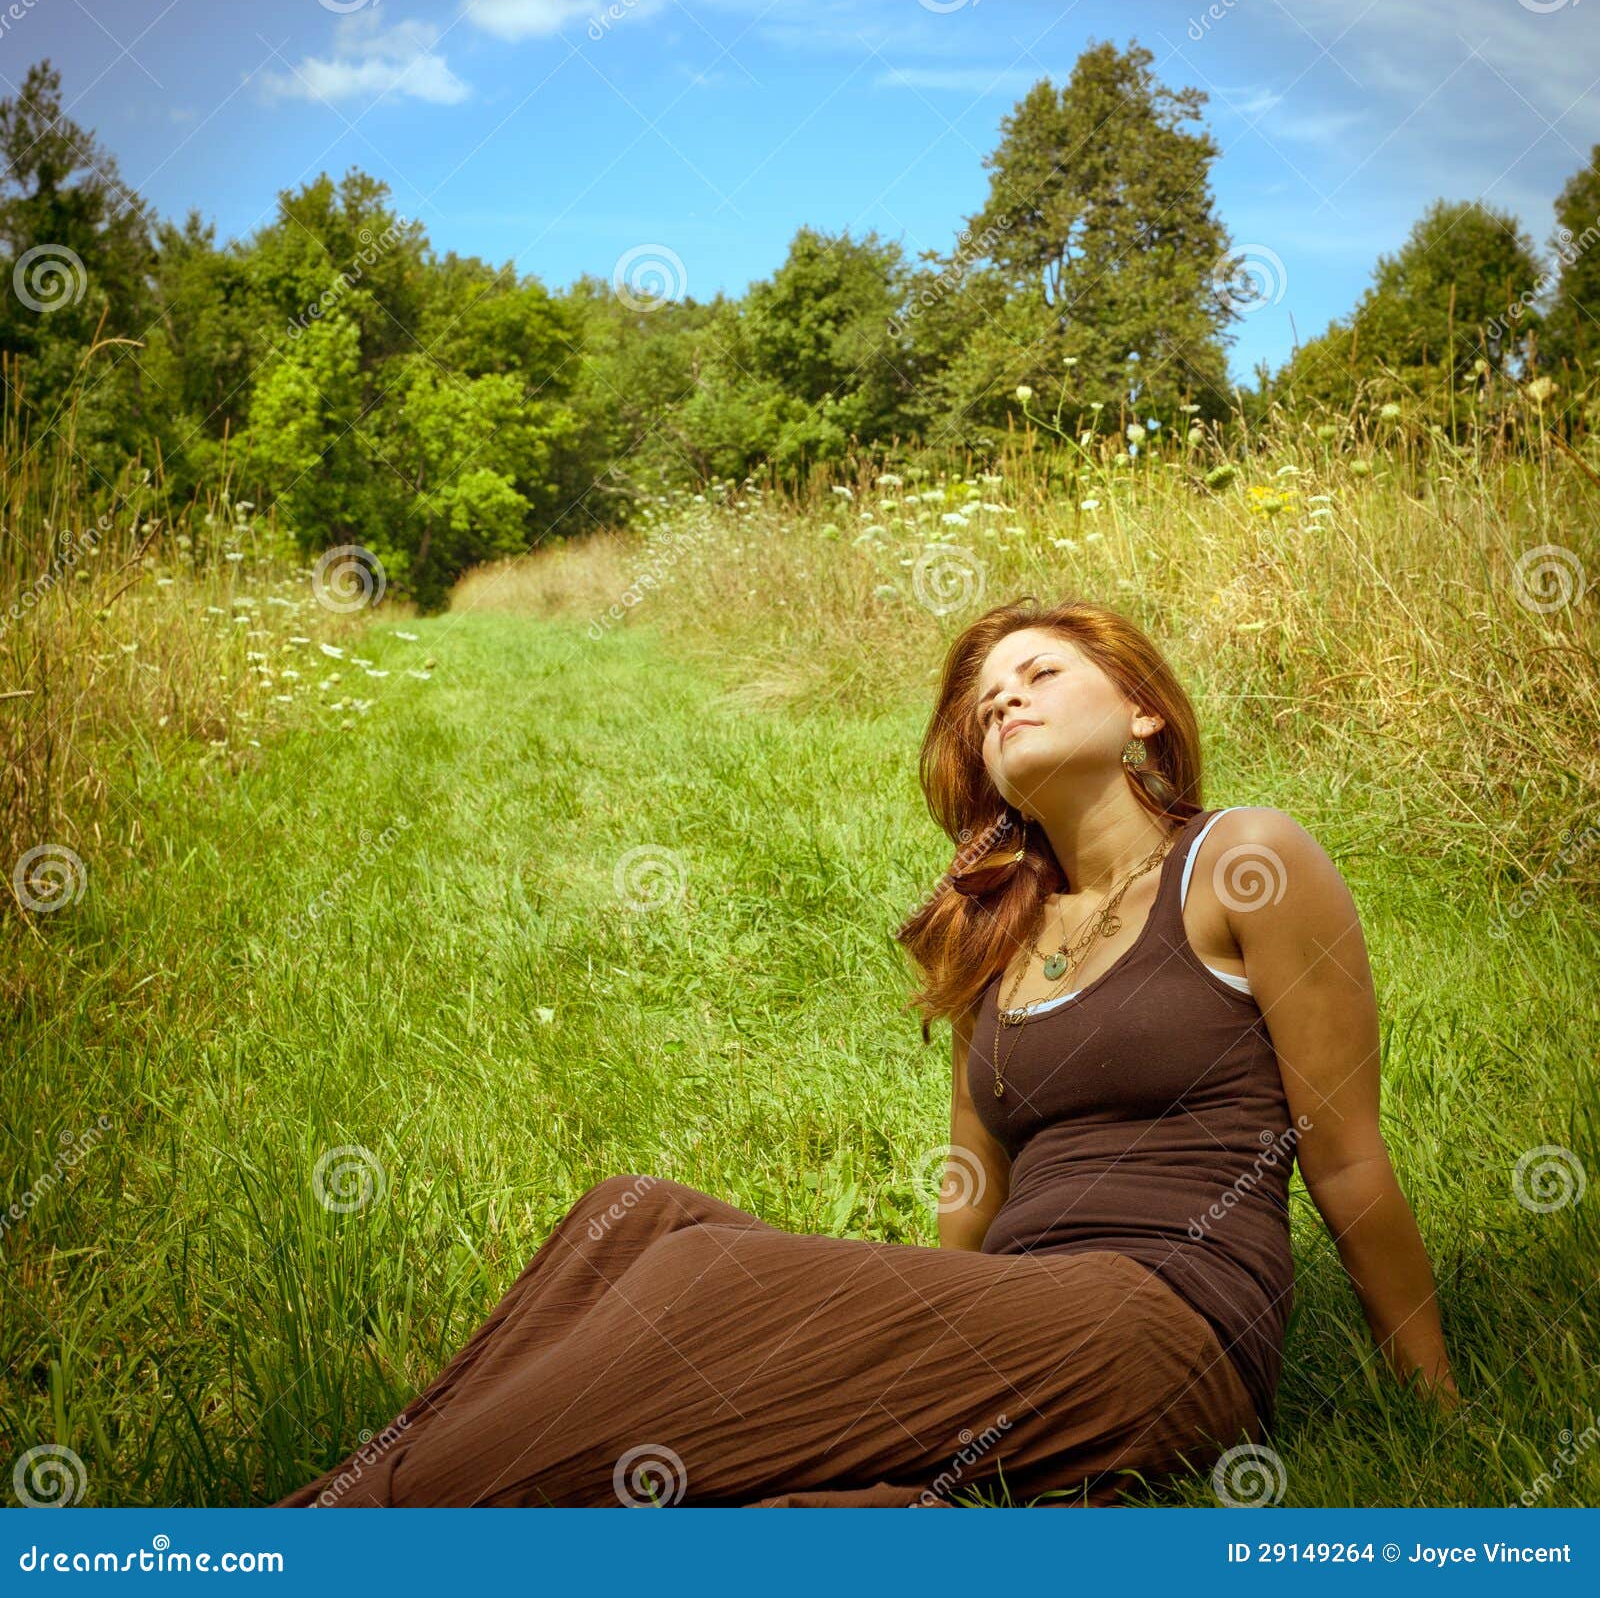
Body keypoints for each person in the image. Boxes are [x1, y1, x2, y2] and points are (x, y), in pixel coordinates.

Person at [276, 594, 1457, 1509]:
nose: (1004, 703)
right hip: (1020, 1312)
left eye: (1039, 673)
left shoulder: (1244, 858)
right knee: (634, 1217)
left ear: (1142, 708)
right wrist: (873, 1354)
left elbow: (1343, 1153)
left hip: (1158, 1322)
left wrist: (1432, 1406)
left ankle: (339, 1535)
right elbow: (969, 1201)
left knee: (699, 1287)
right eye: (985, 702)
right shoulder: (989, 931)